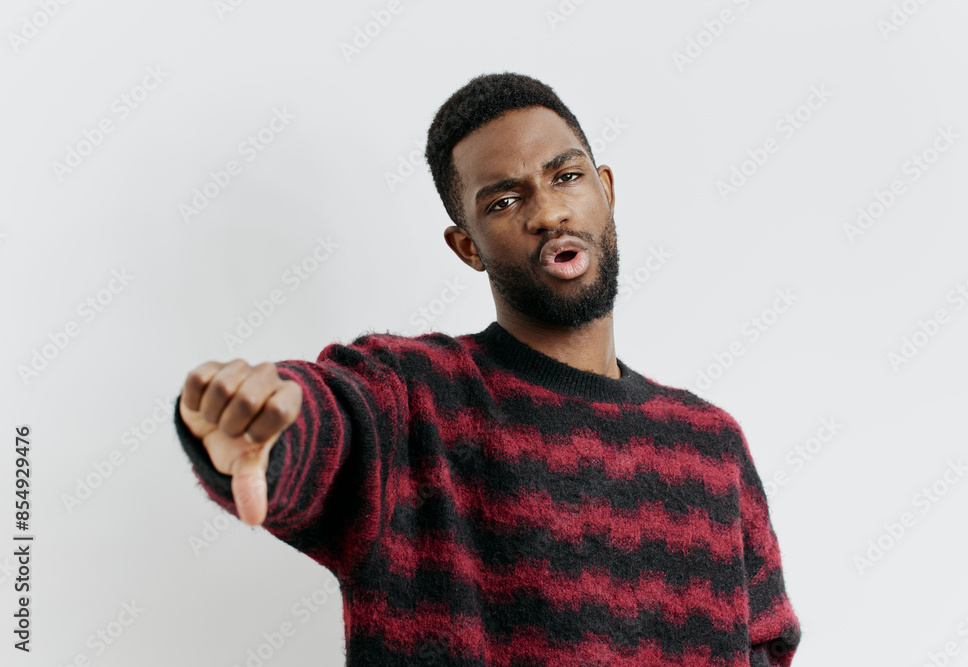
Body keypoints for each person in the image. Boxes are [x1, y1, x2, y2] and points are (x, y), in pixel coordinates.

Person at [174, 72, 801, 666]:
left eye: (566, 176)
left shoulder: (711, 444)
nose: (549, 212)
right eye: (504, 200)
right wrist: (263, 427)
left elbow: (765, 647)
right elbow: (331, 418)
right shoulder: (413, 398)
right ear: (468, 246)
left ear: (606, 189)